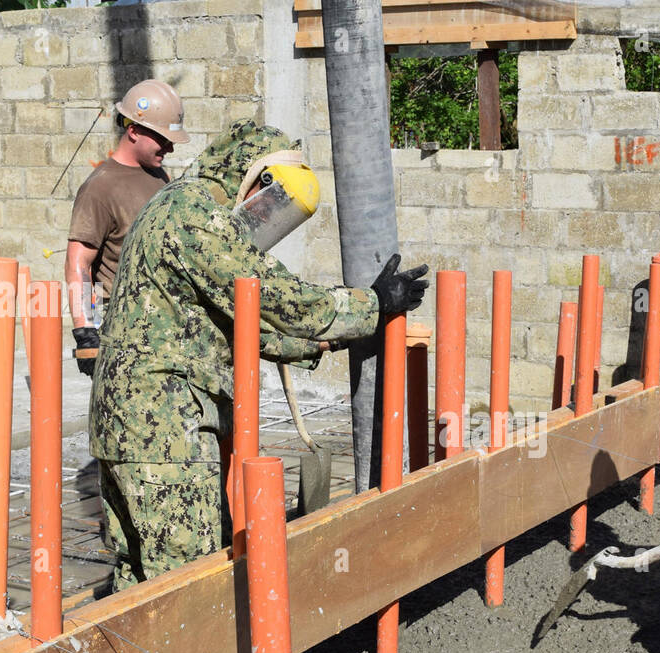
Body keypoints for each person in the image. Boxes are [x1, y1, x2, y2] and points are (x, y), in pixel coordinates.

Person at [89, 119, 428, 590]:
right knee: (186, 585)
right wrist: (371, 304)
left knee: (137, 586)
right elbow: (271, 295)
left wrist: (323, 340)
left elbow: (245, 322)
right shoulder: (191, 214)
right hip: (162, 432)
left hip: (133, 427)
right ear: (256, 180)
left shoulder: (174, 210)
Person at [66, 79, 188, 375]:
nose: (170, 147)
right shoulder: (100, 187)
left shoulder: (158, 175)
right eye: (162, 138)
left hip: (161, 321)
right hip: (123, 325)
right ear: (133, 131)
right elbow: (78, 264)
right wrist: (86, 333)